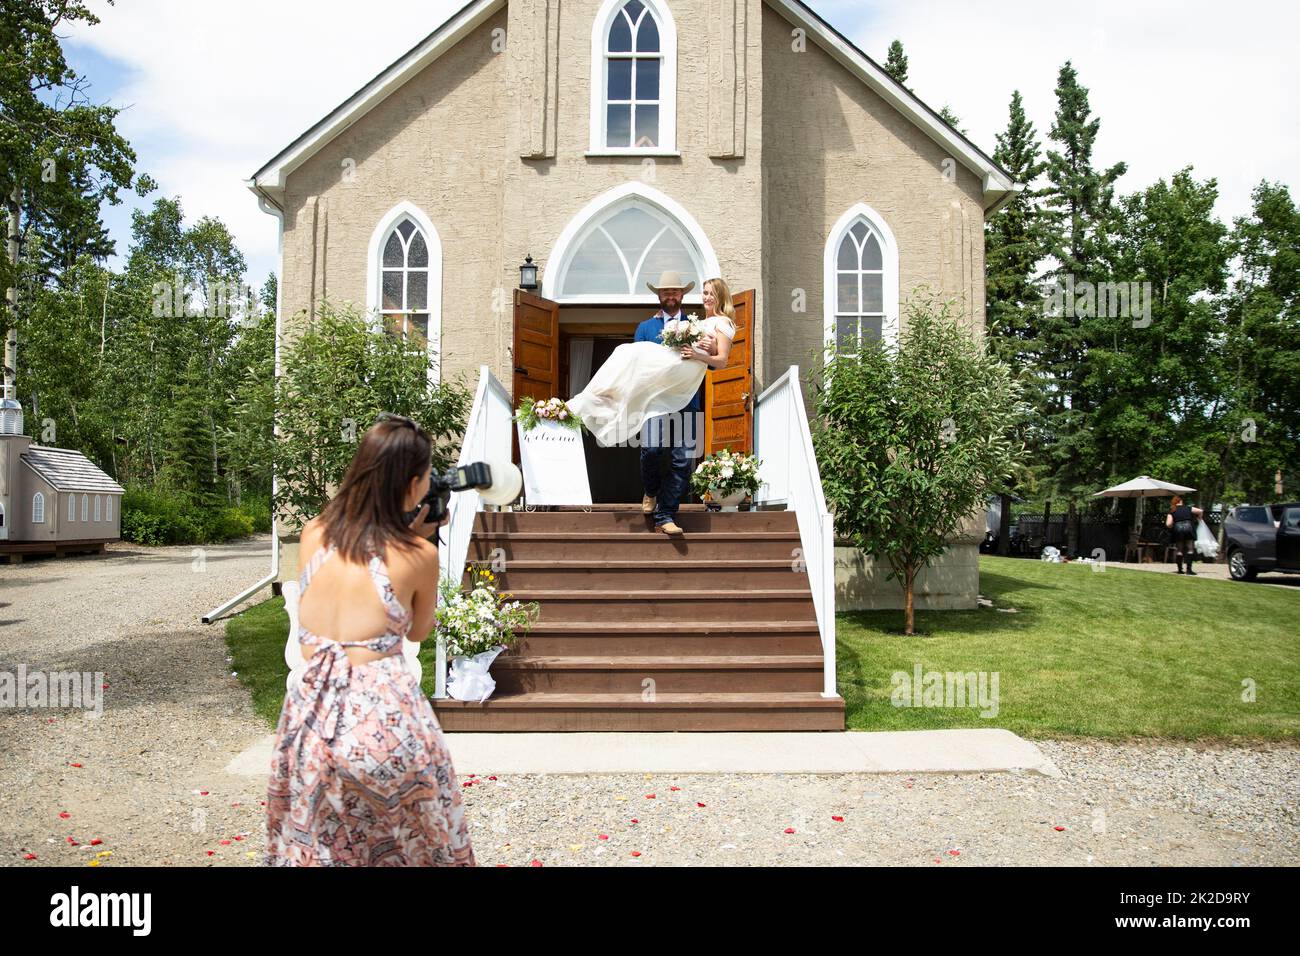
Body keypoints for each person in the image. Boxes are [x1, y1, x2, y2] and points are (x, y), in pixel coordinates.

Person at [265, 414, 475, 866]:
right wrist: (420, 540)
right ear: (414, 483)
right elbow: (419, 631)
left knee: (322, 845)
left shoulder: (313, 533)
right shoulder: (418, 555)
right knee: (412, 843)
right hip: (380, 721)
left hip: (310, 719)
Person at [567, 272, 735, 536]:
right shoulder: (645, 328)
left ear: (681, 295)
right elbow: (636, 367)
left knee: (683, 460)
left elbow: (714, 362)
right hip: (652, 402)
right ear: (659, 296)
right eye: (665, 292)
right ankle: (651, 491)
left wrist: (702, 351)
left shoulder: (697, 324)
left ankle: (665, 515)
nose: (671, 295)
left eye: (675, 291)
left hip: (686, 400)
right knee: (652, 450)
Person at [1166, 495, 1204, 576]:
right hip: (1188, 527)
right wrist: (1199, 519)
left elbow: (1168, 524)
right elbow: (1200, 511)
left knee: (1179, 550)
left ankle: (1180, 570)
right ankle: (1189, 570)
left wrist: (1173, 525)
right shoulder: (1188, 508)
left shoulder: (1172, 510)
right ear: (1180, 501)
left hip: (1178, 529)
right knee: (1190, 549)